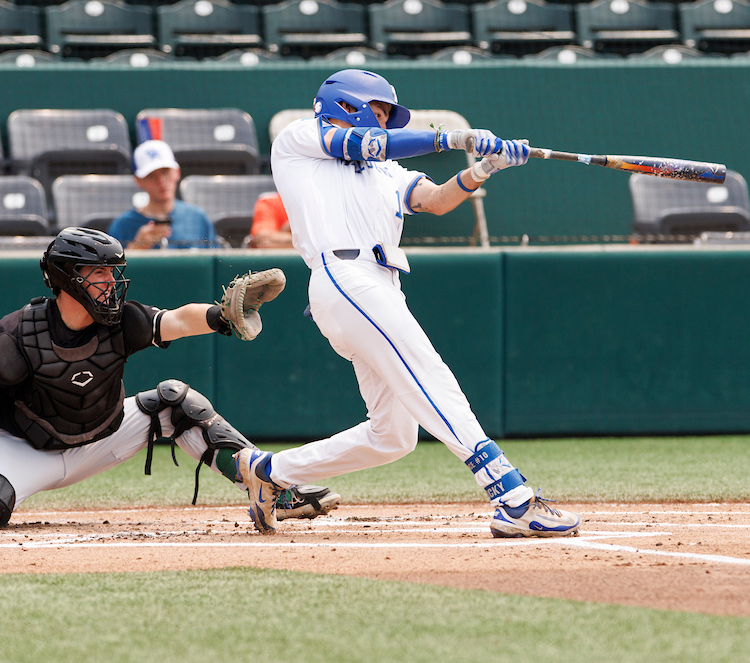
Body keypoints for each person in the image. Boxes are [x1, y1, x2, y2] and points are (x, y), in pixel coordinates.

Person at [233, 69, 582, 539]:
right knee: (429, 373)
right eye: (376, 112)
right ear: (345, 105)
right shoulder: (300, 138)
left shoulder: (385, 171)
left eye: (386, 116)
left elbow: (435, 200)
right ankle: (512, 497)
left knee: (393, 436)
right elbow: (368, 144)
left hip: (379, 285)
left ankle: (269, 470)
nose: (382, 123)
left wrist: (483, 169)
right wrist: (456, 138)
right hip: (345, 277)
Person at [0, 227, 339, 530]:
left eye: (113, 271)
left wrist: (220, 315)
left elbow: (176, 320)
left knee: (176, 401)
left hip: (99, 435)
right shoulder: (15, 336)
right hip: (21, 447)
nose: (112, 281)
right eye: (100, 272)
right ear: (68, 278)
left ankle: (274, 488)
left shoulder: (121, 321)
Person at [108, 140, 219, 250]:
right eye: (151, 175)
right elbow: (110, 261)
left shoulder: (199, 219)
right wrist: (136, 248)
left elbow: (215, 259)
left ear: (177, 172)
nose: (160, 181)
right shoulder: (122, 226)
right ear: (139, 181)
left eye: (165, 171)